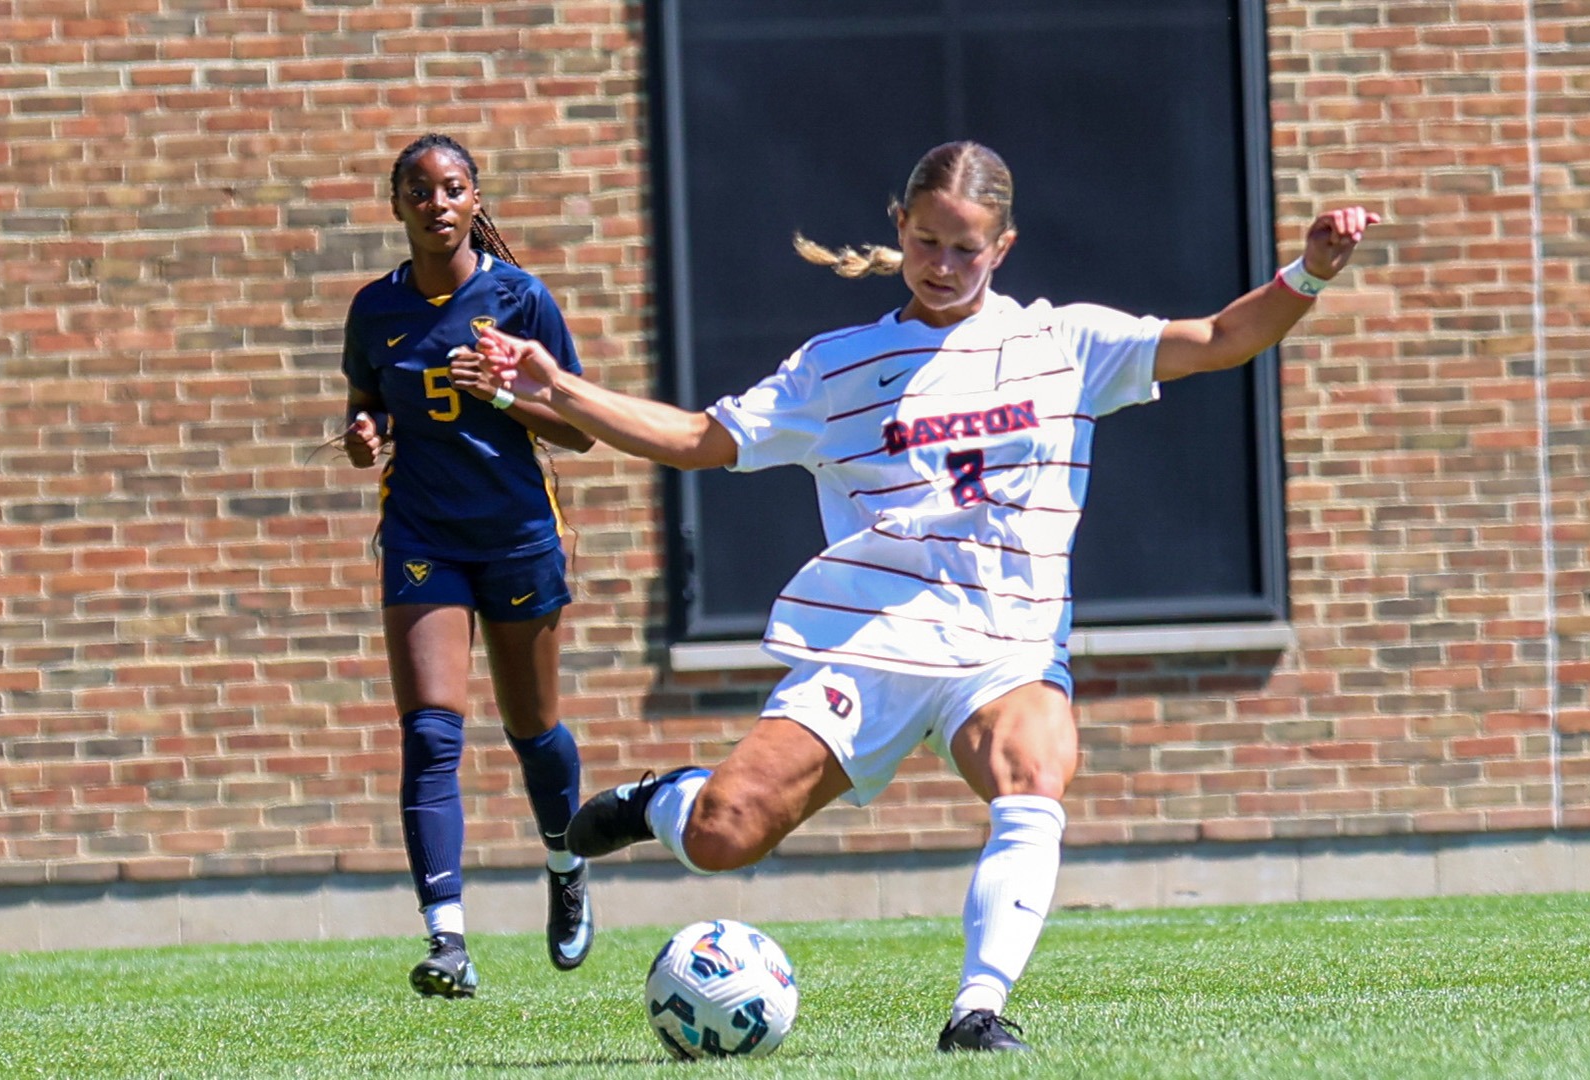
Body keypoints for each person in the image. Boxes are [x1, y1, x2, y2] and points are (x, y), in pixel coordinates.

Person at [476, 140, 1378, 1047]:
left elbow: (1222, 340)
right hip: (871, 643)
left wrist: (1309, 273)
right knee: (724, 836)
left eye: (967, 249)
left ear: (1005, 248)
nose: (944, 266)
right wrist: (560, 388)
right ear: (898, 228)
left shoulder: (1063, 344)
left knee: (1036, 772)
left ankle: (977, 1011)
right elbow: (693, 439)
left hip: (1007, 647)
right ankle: (663, 801)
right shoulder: (837, 367)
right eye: (928, 244)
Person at [339, 133, 602, 998]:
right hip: (422, 536)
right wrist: (366, 433)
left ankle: (566, 864)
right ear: (397, 205)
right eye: (420, 190)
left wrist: (501, 391)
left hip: (517, 534)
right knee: (429, 733)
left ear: (475, 198)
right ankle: (446, 936)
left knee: (532, 731)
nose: (438, 203)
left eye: (453, 188)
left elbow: (579, 427)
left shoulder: (521, 299)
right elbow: (368, 403)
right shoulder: (375, 309)